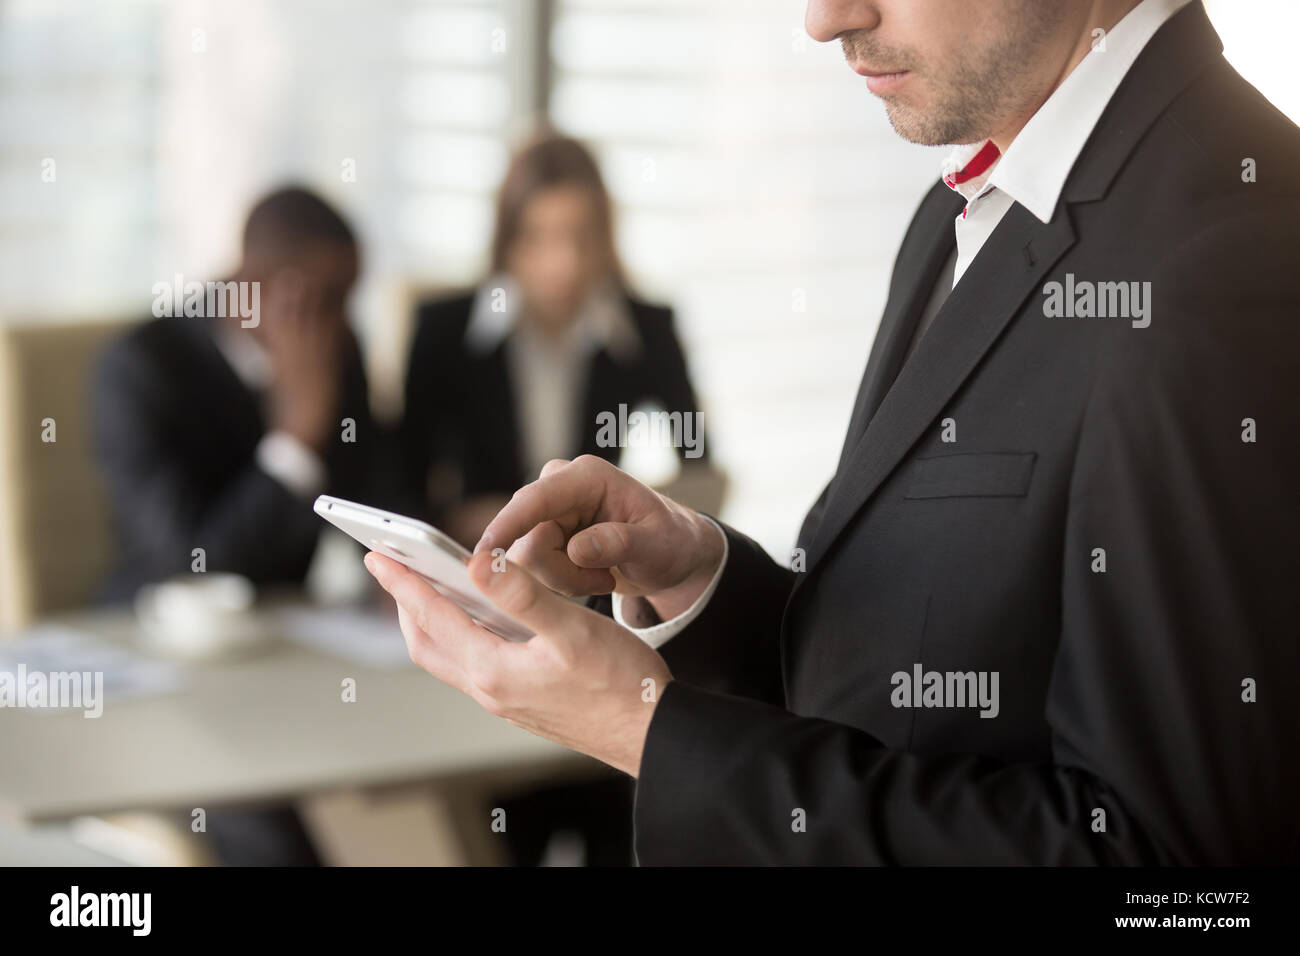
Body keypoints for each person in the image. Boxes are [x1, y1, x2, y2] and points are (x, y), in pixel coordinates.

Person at [364, 0, 1300, 865]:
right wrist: (700, 578)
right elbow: (921, 686)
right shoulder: (960, 211)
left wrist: (643, 729)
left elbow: (1173, 881)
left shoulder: (1231, 259)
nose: (826, 18)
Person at [400, 132, 709, 865]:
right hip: (481, 595)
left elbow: (701, 464)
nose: (563, 262)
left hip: (593, 600)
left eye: (582, 237)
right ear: (507, 239)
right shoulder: (443, 331)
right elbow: (399, 482)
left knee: (623, 788)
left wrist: (639, 517)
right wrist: (460, 517)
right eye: (539, 237)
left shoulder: (644, 326)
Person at [92, 186, 385, 865]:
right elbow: (192, 558)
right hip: (160, 660)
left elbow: (378, 505)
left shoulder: (339, 354)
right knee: (278, 830)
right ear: (270, 288)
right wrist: (295, 439)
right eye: (330, 298)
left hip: (292, 659)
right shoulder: (139, 367)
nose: (342, 323)